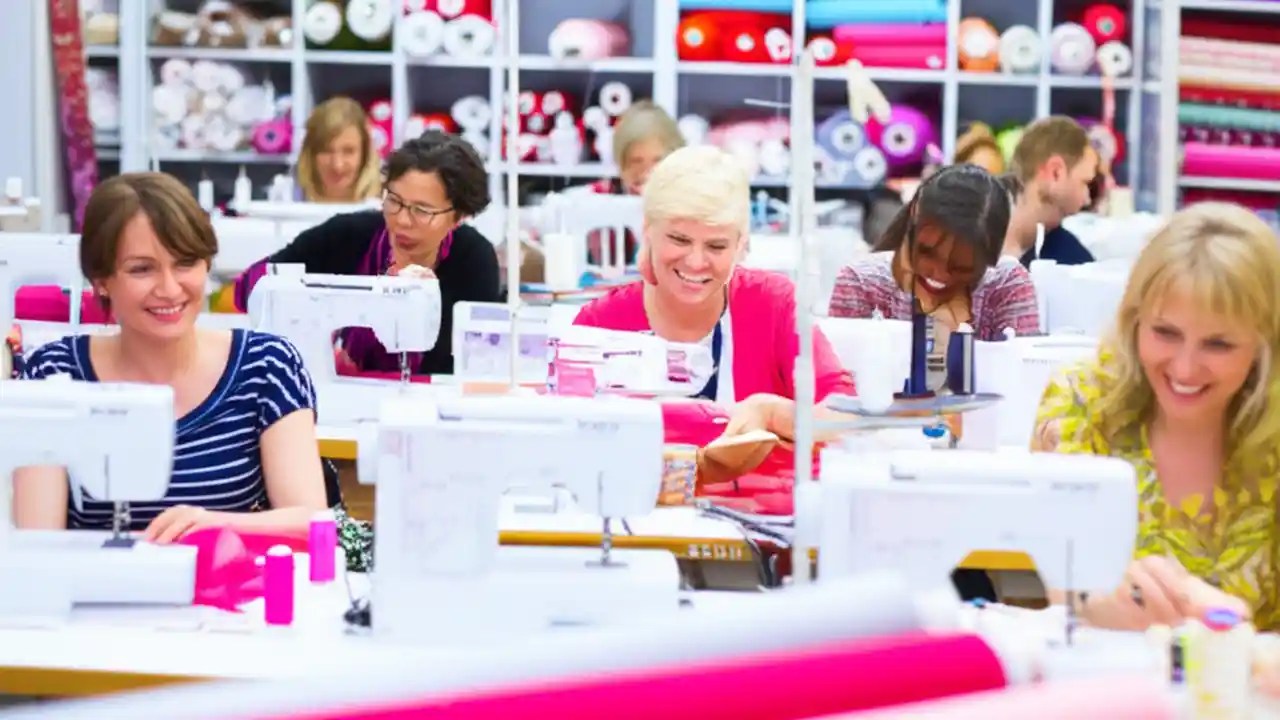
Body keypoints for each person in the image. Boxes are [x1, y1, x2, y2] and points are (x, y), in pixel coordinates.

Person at [12, 173, 328, 542]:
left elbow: (310, 524)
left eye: (185, 263)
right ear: (101, 279)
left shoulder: (267, 366)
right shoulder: (53, 375)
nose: (169, 289)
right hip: (98, 597)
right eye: (141, 269)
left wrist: (213, 523)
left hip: (232, 596)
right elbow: (36, 544)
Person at [1034, 202, 1280, 631]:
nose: (1184, 369)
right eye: (1165, 333)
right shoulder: (1082, 404)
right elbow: (1022, 575)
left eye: (1218, 345)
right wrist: (1087, 599)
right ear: (1135, 319)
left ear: (1264, 346)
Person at [573, 144, 853, 408]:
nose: (696, 262)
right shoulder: (599, 325)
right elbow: (567, 435)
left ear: (740, 244)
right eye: (679, 240)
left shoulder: (775, 306)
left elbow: (840, 409)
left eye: (716, 246)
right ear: (648, 231)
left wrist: (775, 416)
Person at [233, 130, 500, 376]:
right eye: (394, 201)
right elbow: (249, 286)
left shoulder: (474, 260)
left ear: (458, 217)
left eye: (422, 211)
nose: (402, 221)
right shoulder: (346, 235)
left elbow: (478, 360)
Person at [829, 163, 1040, 388]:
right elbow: (836, 393)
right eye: (927, 252)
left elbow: (1025, 386)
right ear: (914, 214)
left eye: (960, 267)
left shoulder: (1006, 287)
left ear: (990, 259)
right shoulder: (861, 284)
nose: (939, 274)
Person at [582, 100, 685, 266]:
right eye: (636, 161)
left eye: (657, 160)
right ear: (620, 163)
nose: (647, 171)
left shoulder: (689, 198)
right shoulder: (603, 195)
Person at [1001, 116, 1098, 267]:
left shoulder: (1071, 260)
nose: (1087, 200)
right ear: (1055, 172)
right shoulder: (966, 237)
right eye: (1085, 183)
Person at [295, 96, 382, 203]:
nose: (337, 165)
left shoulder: (388, 205)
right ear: (311, 153)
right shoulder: (287, 198)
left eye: (348, 151)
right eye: (326, 151)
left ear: (365, 152)